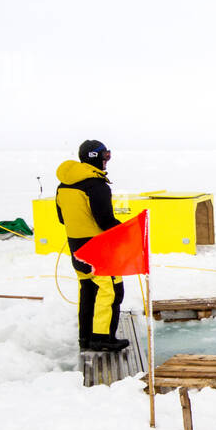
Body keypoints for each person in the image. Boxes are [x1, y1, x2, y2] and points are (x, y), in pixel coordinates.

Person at [55, 140, 129, 352]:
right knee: (111, 291)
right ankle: (102, 338)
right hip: (99, 248)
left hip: (76, 248)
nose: (107, 161)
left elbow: (62, 218)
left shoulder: (63, 186)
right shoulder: (96, 186)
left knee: (88, 290)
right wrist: (127, 231)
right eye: (105, 156)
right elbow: (105, 221)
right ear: (95, 157)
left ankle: (85, 338)